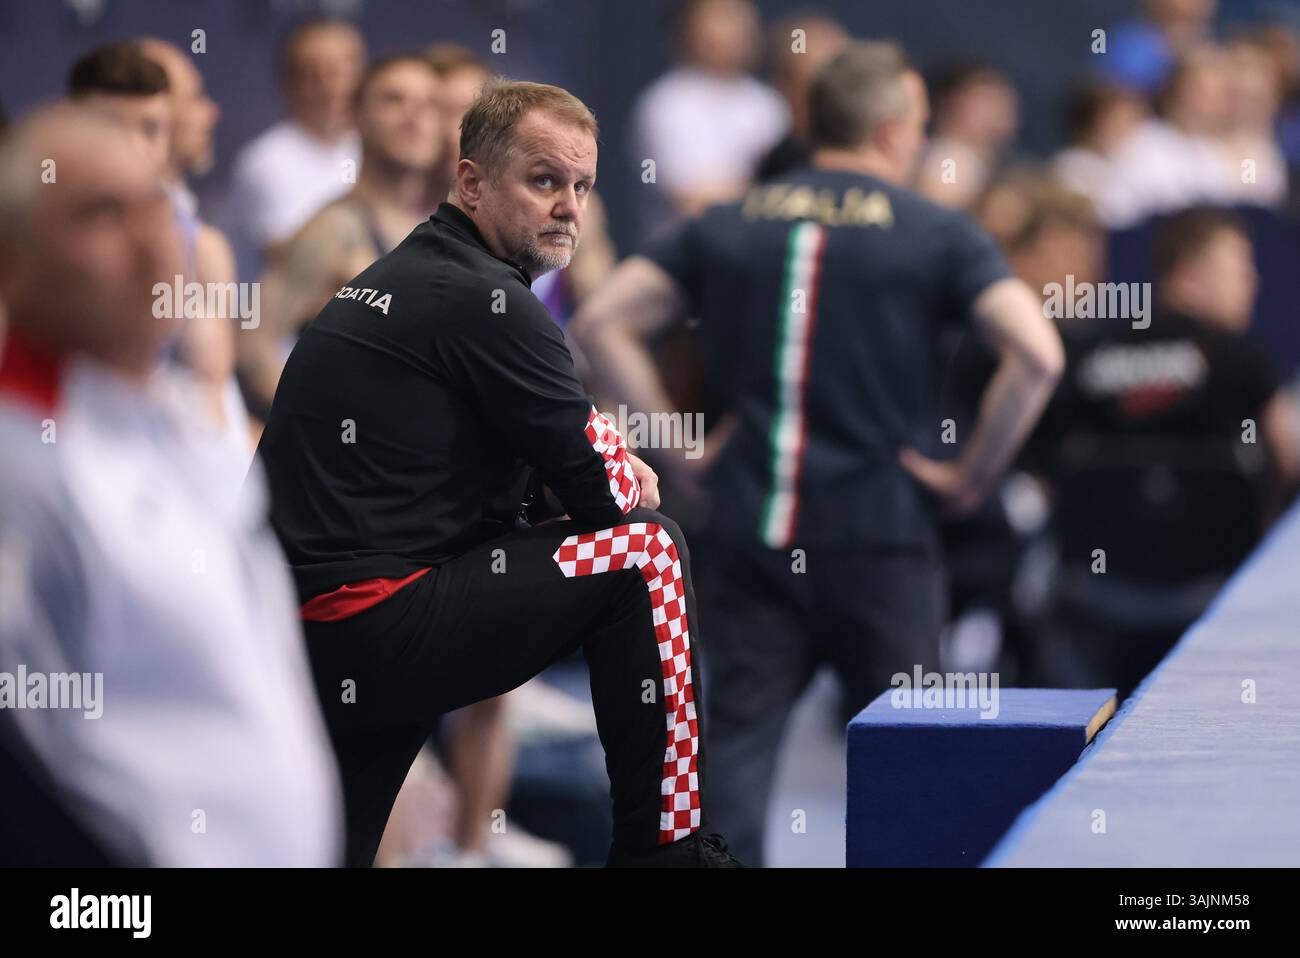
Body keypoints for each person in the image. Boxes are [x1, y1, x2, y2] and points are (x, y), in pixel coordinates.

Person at [572, 41, 1063, 865]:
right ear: (894, 129)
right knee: (913, 769)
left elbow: (599, 323)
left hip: (743, 532)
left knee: (724, 764)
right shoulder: (935, 230)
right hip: (881, 538)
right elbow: (1038, 354)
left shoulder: (728, 220)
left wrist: (679, 442)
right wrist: (972, 475)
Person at [253, 79, 740, 868]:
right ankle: (668, 853)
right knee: (648, 552)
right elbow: (612, 496)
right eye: (544, 180)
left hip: (313, 626)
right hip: (374, 614)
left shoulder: (420, 271)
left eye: (582, 187)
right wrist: (608, 465)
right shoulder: (491, 303)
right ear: (471, 182)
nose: (569, 208)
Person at [0, 104, 340, 866]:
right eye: (100, 214)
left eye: (157, 203)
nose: (155, 242)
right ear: (10, 261)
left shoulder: (182, 427)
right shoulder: (18, 474)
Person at [1032, 207, 1300, 698]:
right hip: (1213, 596)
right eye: (1238, 268)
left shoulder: (1088, 354)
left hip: (1096, 597)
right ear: (1191, 276)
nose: (1253, 281)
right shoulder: (1242, 359)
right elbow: (1288, 462)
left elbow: (1047, 472)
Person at [242, 54, 444, 418]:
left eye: (429, 104)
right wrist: (325, 435)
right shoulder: (335, 228)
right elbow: (252, 347)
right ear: (356, 116)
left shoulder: (437, 226)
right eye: (394, 100)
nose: (414, 116)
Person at [629, 0, 788, 233]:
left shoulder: (769, 103)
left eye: (740, 17)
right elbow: (696, 203)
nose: (736, 28)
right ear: (690, 28)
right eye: (722, 17)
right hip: (685, 262)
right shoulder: (666, 104)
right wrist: (768, 197)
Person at [225, 16, 366, 278]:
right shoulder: (266, 162)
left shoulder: (375, 149)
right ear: (287, 86)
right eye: (312, 74)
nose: (330, 87)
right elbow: (298, 264)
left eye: (340, 71)